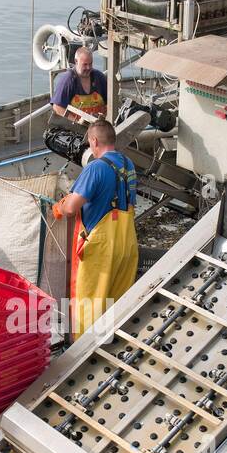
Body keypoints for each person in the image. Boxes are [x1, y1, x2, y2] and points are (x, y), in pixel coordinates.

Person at [52, 119, 140, 338]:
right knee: (117, 301)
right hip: (127, 242)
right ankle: (115, 346)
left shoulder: (96, 167)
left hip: (102, 248)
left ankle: (85, 354)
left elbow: (72, 207)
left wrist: (59, 206)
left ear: (93, 140)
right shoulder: (128, 164)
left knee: (89, 305)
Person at [50, 47, 108, 122]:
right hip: (75, 127)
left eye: (90, 64)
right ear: (76, 61)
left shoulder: (99, 77)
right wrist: (77, 122)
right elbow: (57, 107)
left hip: (98, 125)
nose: (88, 68)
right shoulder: (68, 80)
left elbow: (110, 101)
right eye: (85, 64)